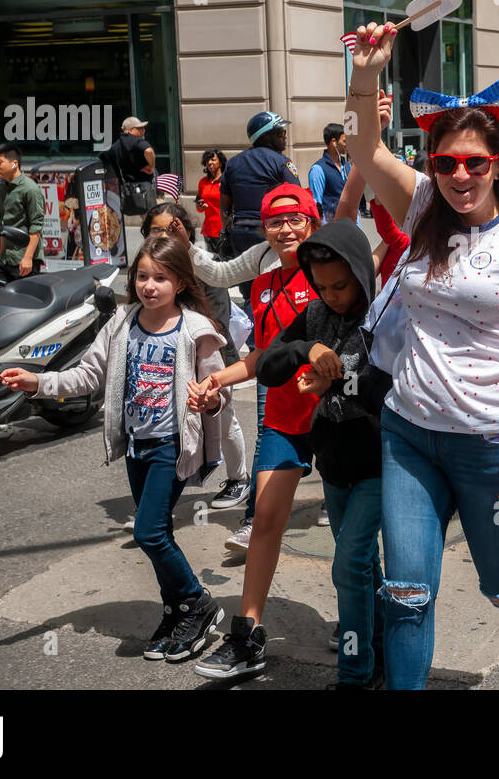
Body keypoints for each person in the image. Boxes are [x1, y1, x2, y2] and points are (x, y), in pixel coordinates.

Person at [344, 20, 499, 691]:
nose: (459, 175)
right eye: (446, 162)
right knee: (406, 594)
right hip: (410, 435)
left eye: (475, 163)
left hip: (493, 443)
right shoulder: (424, 202)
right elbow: (365, 147)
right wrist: (369, 73)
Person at [0, 236, 230, 662]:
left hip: (171, 446)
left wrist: (209, 400)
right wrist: (36, 382)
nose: (149, 285)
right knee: (157, 533)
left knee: (149, 532)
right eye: (142, 276)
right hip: (136, 447)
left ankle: (198, 603)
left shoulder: (195, 330)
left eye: (160, 277)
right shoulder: (122, 322)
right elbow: (87, 376)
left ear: (180, 282)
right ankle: (175, 610)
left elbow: (218, 391)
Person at [188, 184, 323, 678]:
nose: (285, 230)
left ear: (312, 221)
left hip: (337, 424)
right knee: (265, 520)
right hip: (284, 420)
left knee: (352, 539)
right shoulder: (263, 284)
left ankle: (362, 629)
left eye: (295, 219)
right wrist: (217, 379)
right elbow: (263, 356)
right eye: (274, 222)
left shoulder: (330, 270)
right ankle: (247, 637)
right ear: (263, 228)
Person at [248, 219, 390, 688]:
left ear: (361, 275)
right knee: (363, 565)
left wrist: (338, 380)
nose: (331, 295)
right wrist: (307, 348)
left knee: (348, 565)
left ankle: (355, 673)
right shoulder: (314, 315)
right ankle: (383, 649)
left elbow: (390, 393)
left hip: (378, 462)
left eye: (341, 285)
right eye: (321, 285)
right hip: (332, 462)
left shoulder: (384, 318)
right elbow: (268, 365)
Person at [140, 204, 250, 510]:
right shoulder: (147, 269)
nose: (161, 236)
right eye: (154, 230)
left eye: (168, 229)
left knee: (223, 420)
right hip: (165, 361)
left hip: (208, 357)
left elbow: (218, 321)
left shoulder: (204, 267)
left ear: (185, 232)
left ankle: (239, 479)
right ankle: (157, 497)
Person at [220, 111, 301, 313]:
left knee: (249, 290)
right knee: (272, 288)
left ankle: (252, 333)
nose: (284, 136)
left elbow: (224, 204)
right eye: (280, 133)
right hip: (269, 234)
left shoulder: (233, 163)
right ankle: (265, 336)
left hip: (240, 233)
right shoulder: (281, 163)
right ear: (265, 136)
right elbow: (297, 198)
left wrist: (228, 231)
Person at [0, 142, 44, 280]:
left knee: (24, 301)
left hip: (24, 261)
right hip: (5, 260)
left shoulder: (30, 189)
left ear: (14, 163)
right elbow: (4, 223)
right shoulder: (1, 188)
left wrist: (28, 258)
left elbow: (36, 226)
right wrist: (0, 255)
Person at [108, 116, 157, 214]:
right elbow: (149, 151)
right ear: (130, 130)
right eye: (140, 128)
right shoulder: (136, 141)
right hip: (146, 192)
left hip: (131, 193)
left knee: (147, 222)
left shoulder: (115, 146)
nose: (143, 131)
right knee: (155, 220)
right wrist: (151, 166)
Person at [308, 123, 351, 224]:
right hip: (330, 230)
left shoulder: (347, 166)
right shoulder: (318, 170)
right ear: (333, 142)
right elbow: (316, 205)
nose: (347, 144)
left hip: (350, 226)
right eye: (344, 141)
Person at [196, 149, 226, 247]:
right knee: (210, 261)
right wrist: (200, 207)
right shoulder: (203, 182)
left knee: (224, 260)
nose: (209, 163)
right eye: (207, 161)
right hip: (208, 230)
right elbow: (198, 204)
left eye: (213, 160)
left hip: (223, 230)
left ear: (220, 163)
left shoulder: (226, 181)